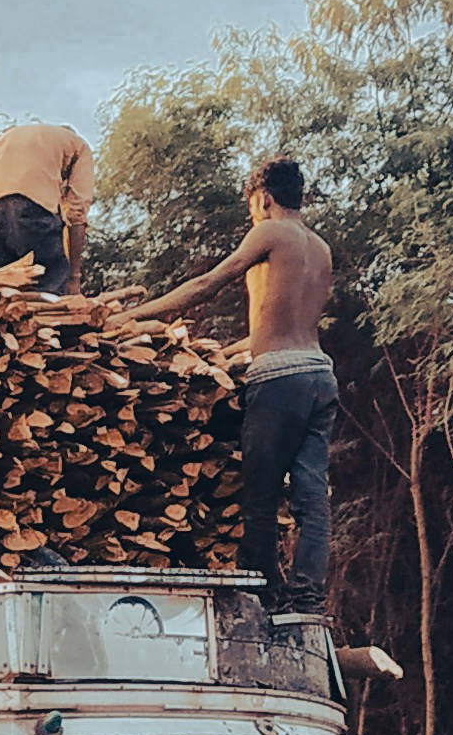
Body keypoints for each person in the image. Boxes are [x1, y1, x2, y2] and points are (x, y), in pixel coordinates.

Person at [127, 156, 337, 621]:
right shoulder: (320, 248)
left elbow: (207, 284)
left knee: (259, 495)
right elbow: (284, 321)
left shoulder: (268, 231)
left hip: (278, 378)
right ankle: (307, 599)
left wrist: (130, 319)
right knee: (311, 497)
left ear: (262, 198)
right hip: (320, 375)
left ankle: (263, 594)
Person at [0, 122, 95, 298]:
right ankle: (49, 322)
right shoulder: (78, 145)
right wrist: (73, 278)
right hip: (32, 206)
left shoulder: (9, 140)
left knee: (4, 293)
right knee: (49, 282)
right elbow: (77, 213)